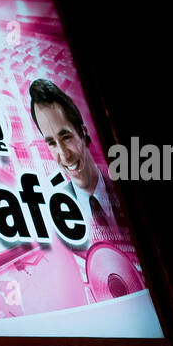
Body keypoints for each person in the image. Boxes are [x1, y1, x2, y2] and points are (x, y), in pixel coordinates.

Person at [28, 78, 123, 231]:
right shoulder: (55, 216)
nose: (64, 155)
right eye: (52, 143)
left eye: (66, 137)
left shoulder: (122, 188)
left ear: (83, 132)